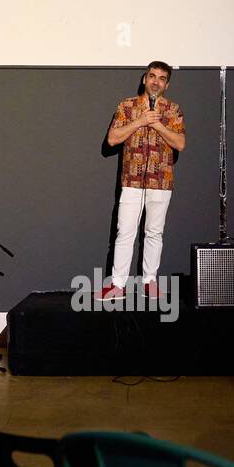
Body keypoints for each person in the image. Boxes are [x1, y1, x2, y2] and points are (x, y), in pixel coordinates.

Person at [100, 61, 186, 300]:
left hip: (161, 181)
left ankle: (149, 282)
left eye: (161, 78)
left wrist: (157, 124)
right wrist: (140, 121)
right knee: (125, 232)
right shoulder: (127, 106)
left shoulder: (172, 110)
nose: (155, 81)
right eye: (152, 76)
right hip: (132, 180)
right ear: (144, 79)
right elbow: (112, 139)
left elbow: (180, 143)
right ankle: (118, 284)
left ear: (166, 84)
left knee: (154, 233)